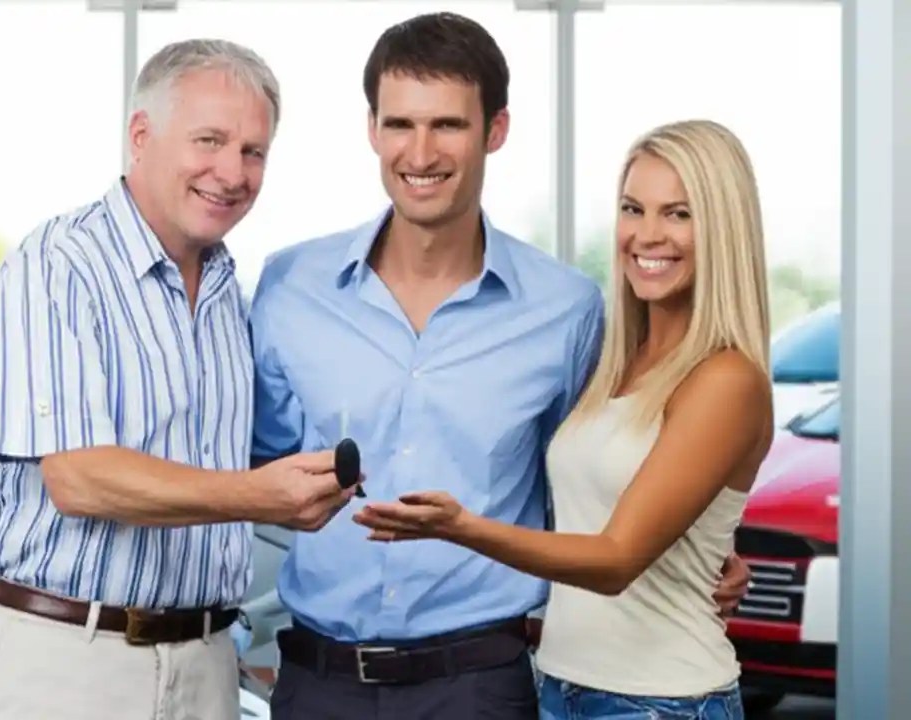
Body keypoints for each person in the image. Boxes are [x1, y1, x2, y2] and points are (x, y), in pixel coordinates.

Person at [248, 13, 749, 720]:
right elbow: (254, 474)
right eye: (399, 124)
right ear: (372, 129)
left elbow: (595, 478)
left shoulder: (567, 311)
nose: (420, 152)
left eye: (448, 125)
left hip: (481, 687)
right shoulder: (288, 285)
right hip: (316, 681)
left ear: (496, 130)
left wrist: (706, 554)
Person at [0, 39, 354, 720]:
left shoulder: (229, 292)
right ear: (142, 135)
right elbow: (78, 477)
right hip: (62, 664)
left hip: (206, 664)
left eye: (253, 151)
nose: (232, 172)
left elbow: (237, 460)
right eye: (210, 140)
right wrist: (257, 496)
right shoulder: (57, 267)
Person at [355, 119, 771, 719]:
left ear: (723, 231)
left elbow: (615, 559)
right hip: (561, 686)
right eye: (634, 209)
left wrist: (459, 526)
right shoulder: (615, 362)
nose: (647, 235)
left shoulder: (726, 380)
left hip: (661, 702)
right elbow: (591, 512)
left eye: (678, 214)